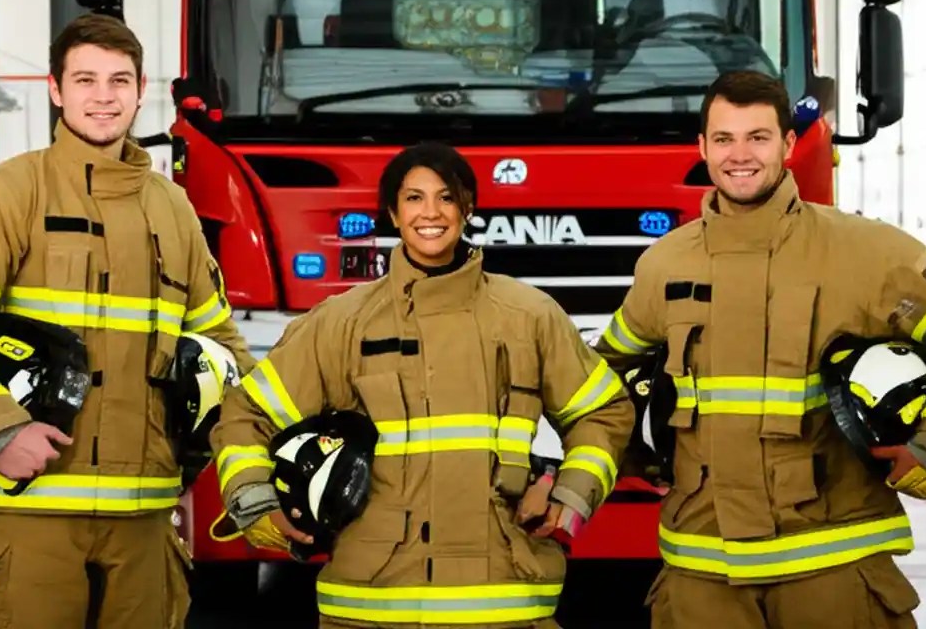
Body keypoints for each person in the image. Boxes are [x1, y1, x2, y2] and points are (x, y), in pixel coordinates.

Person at [594, 69, 926, 628]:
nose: (739, 155)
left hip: (833, 567)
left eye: (758, 137)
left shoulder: (865, 253)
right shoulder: (664, 265)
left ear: (789, 144)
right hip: (702, 570)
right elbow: (605, 377)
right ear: (702, 147)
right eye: (723, 139)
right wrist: (635, 453)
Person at [0, 12, 256, 629]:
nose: (103, 96)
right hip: (27, 514)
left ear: (141, 90)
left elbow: (222, 350)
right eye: (86, 80)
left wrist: (256, 468)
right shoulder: (11, 191)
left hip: (143, 525)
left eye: (119, 80)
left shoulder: (173, 209)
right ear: (57, 90)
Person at [209, 141, 636, 628]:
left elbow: (603, 411)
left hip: (506, 605)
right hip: (370, 607)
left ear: (467, 208)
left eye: (446, 197)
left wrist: (567, 494)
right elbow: (248, 415)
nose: (430, 213)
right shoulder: (341, 323)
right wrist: (256, 502)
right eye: (414, 198)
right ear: (392, 212)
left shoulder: (529, 316)